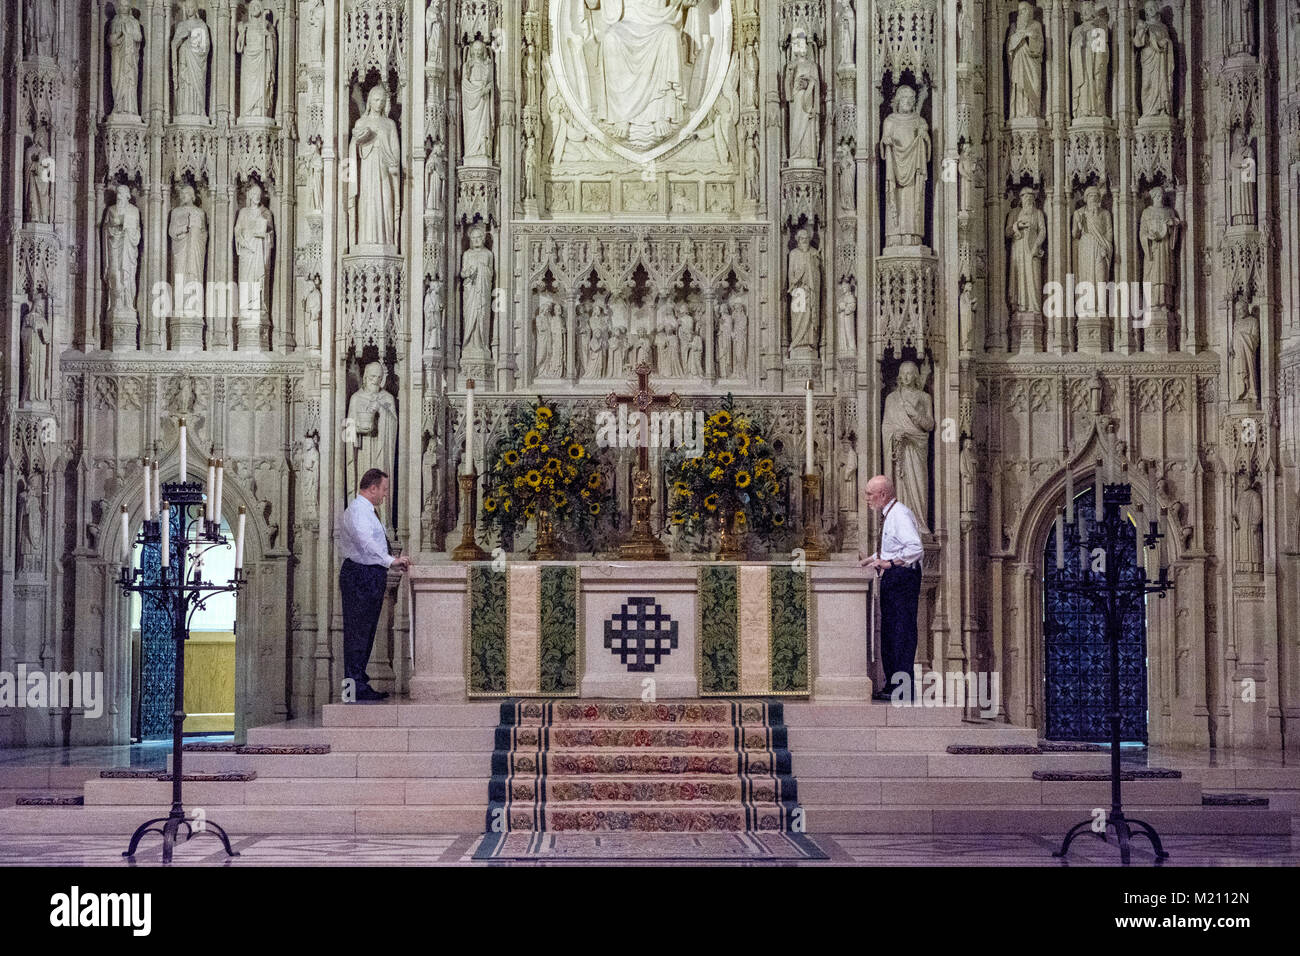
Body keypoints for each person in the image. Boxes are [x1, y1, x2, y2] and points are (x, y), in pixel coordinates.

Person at [337, 468, 409, 701]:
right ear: (373, 488)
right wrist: (392, 560)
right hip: (361, 574)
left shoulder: (367, 511)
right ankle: (352, 689)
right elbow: (365, 542)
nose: (385, 494)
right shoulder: (358, 511)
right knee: (357, 631)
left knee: (364, 632)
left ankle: (357, 685)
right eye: (384, 489)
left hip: (368, 573)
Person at [860, 475, 924, 701]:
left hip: (903, 578)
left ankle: (902, 689)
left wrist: (888, 563)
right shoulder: (890, 515)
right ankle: (893, 685)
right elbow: (893, 547)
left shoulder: (900, 514)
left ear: (883, 494)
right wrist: (871, 559)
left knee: (901, 632)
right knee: (890, 631)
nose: (867, 498)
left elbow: (915, 548)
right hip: (895, 577)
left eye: (870, 494)